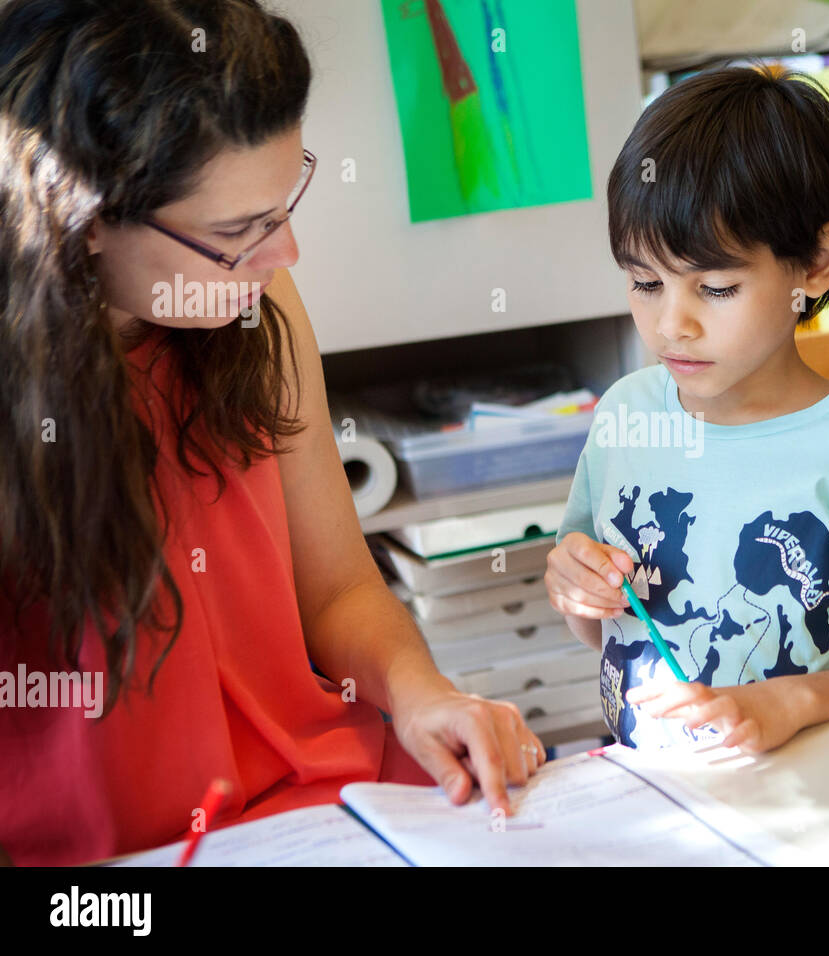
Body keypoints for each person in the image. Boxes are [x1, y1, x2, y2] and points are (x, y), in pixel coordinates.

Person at [0, 0, 541, 867]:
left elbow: (337, 593)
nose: (284, 254)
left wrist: (422, 695)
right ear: (87, 222)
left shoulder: (255, 304)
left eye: (284, 205)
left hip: (320, 807)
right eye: (236, 231)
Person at [545, 65, 829, 752]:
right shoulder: (626, 415)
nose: (672, 324)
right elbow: (600, 623)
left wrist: (787, 701)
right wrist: (577, 586)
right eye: (644, 282)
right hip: (652, 797)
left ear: (814, 262)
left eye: (715, 287)